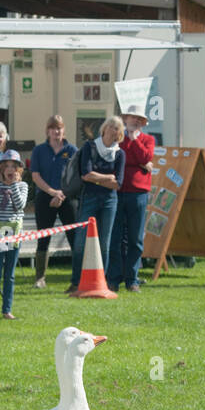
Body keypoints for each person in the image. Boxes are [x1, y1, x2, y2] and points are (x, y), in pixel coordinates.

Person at [69, 117, 125, 295]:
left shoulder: (119, 153)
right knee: (80, 241)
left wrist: (98, 178)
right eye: (111, 127)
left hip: (110, 200)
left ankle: (102, 282)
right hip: (89, 198)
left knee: (104, 243)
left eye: (117, 128)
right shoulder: (90, 147)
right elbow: (86, 175)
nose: (113, 131)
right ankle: (76, 281)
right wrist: (107, 178)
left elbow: (119, 183)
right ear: (104, 129)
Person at [106, 103, 155, 292]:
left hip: (139, 193)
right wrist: (141, 163)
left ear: (142, 122)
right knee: (116, 236)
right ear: (125, 119)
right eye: (131, 117)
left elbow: (145, 156)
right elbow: (119, 158)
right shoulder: (118, 139)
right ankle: (114, 278)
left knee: (135, 238)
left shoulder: (148, 139)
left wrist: (134, 141)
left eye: (138, 118)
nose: (134, 120)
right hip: (118, 192)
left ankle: (132, 279)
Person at [28, 115, 79, 289]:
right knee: (43, 237)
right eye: (52, 128)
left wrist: (61, 195)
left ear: (64, 130)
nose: (56, 132)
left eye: (59, 128)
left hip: (67, 197)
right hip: (44, 197)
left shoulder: (72, 150)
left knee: (74, 237)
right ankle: (40, 278)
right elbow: (35, 176)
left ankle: (77, 277)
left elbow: (76, 177)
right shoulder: (39, 150)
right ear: (47, 131)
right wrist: (52, 192)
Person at [0, 149, 28, 320]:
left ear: (19, 170)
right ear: (2, 168)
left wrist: (14, 187)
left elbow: (20, 205)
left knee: (9, 274)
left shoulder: (22, 186)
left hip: (14, 232)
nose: (10, 170)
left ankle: (7, 310)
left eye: (14, 166)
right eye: (7, 166)